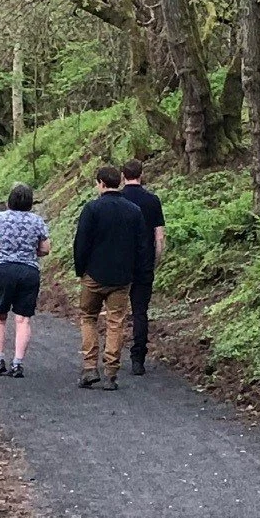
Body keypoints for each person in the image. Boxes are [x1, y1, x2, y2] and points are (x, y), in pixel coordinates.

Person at [71, 162, 147, 389]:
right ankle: (111, 372)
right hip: (122, 278)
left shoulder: (92, 209)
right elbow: (142, 246)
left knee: (88, 317)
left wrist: (80, 270)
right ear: (119, 181)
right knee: (116, 322)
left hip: (93, 274)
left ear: (101, 184)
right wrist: (137, 272)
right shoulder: (134, 211)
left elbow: (81, 243)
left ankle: (89, 367)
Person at [0, 182, 50, 377]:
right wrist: (31, 252)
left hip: (2, 269)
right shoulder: (37, 221)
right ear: (30, 202)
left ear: (9, 201)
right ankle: (18, 363)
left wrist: (2, 250)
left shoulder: (0, 218)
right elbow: (45, 249)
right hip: (28, 271)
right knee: (22, 319)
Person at [118, 159, 165, 375]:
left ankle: (112, 356)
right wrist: (155, 260)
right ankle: (138, 358)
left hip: (119, 264)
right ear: (142, 175)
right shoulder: (152, 200)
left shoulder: (117, 200)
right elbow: (159, 236)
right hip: (144, 263)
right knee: (140, 312)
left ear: (122, 176)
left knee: (115, 312)